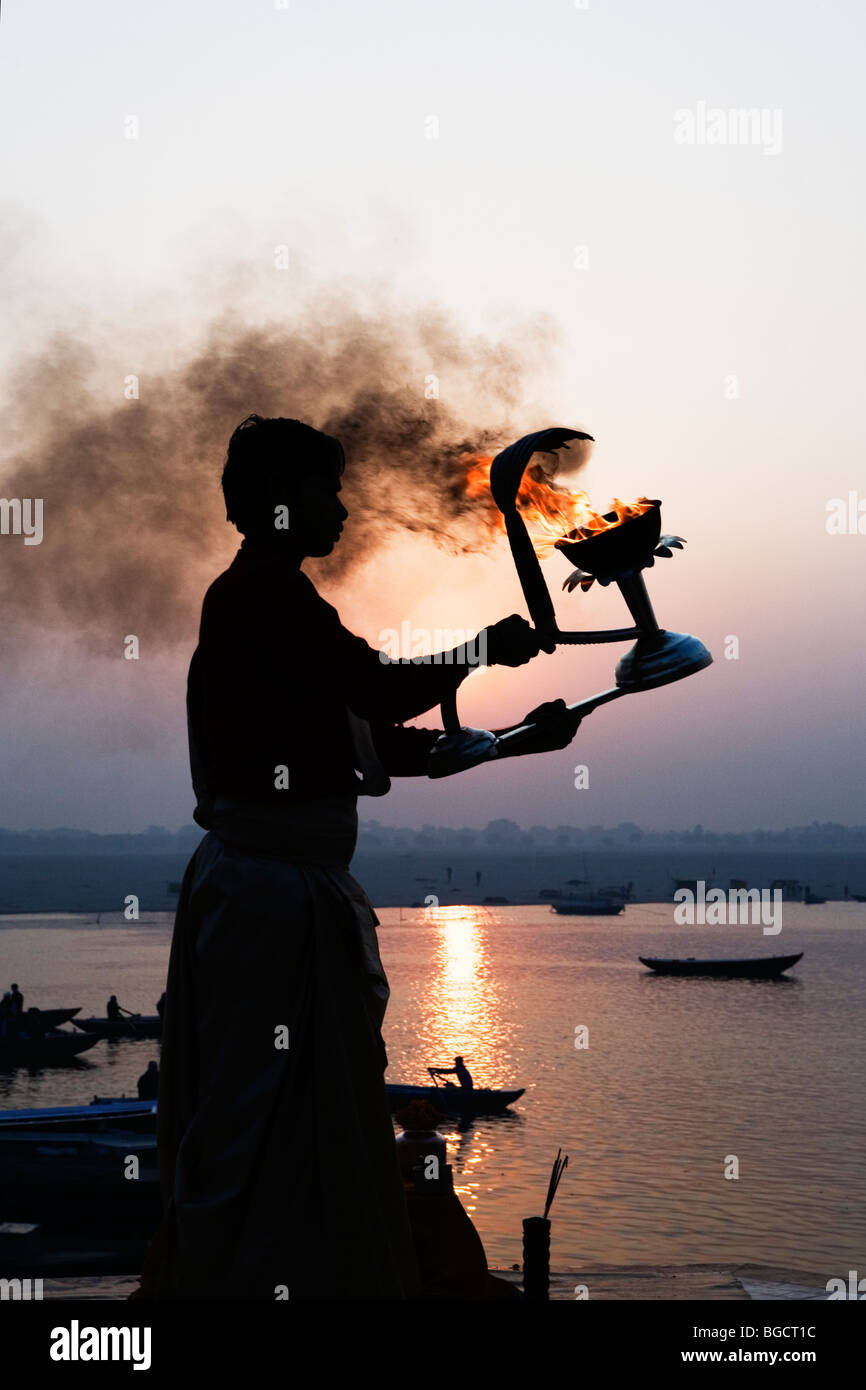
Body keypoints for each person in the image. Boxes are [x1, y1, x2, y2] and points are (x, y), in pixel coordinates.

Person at [141, 415, 582, 1303]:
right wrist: (482, 649)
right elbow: (376, 686)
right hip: (265, 906)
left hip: (286, 898)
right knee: (253, 1119)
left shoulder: (285, 603)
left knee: (303, 1118)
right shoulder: (258, 599)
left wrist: (518, 742)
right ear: (275, 504)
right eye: (323, 492)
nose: (339, 511)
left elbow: (374, 739)